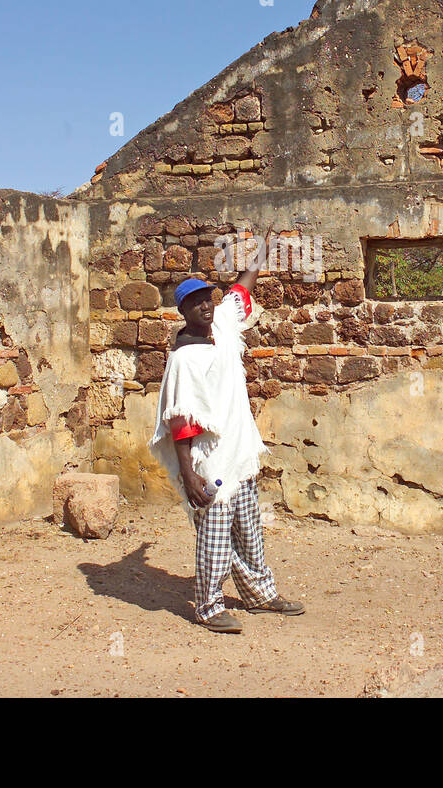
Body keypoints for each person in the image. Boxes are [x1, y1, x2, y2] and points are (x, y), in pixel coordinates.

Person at [148, 234, 304, 633]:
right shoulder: (184, 360)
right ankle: (209, 605)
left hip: (240, 450)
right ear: (182, 310)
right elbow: (181, 421)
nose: (205, 305)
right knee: (215, 538)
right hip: (209, 459)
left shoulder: (223, 322)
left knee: (250, 530)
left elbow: (242, 286)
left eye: (208, 298)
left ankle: (259, 594)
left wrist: (264, 248)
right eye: (195, 301)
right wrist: (188, 473)